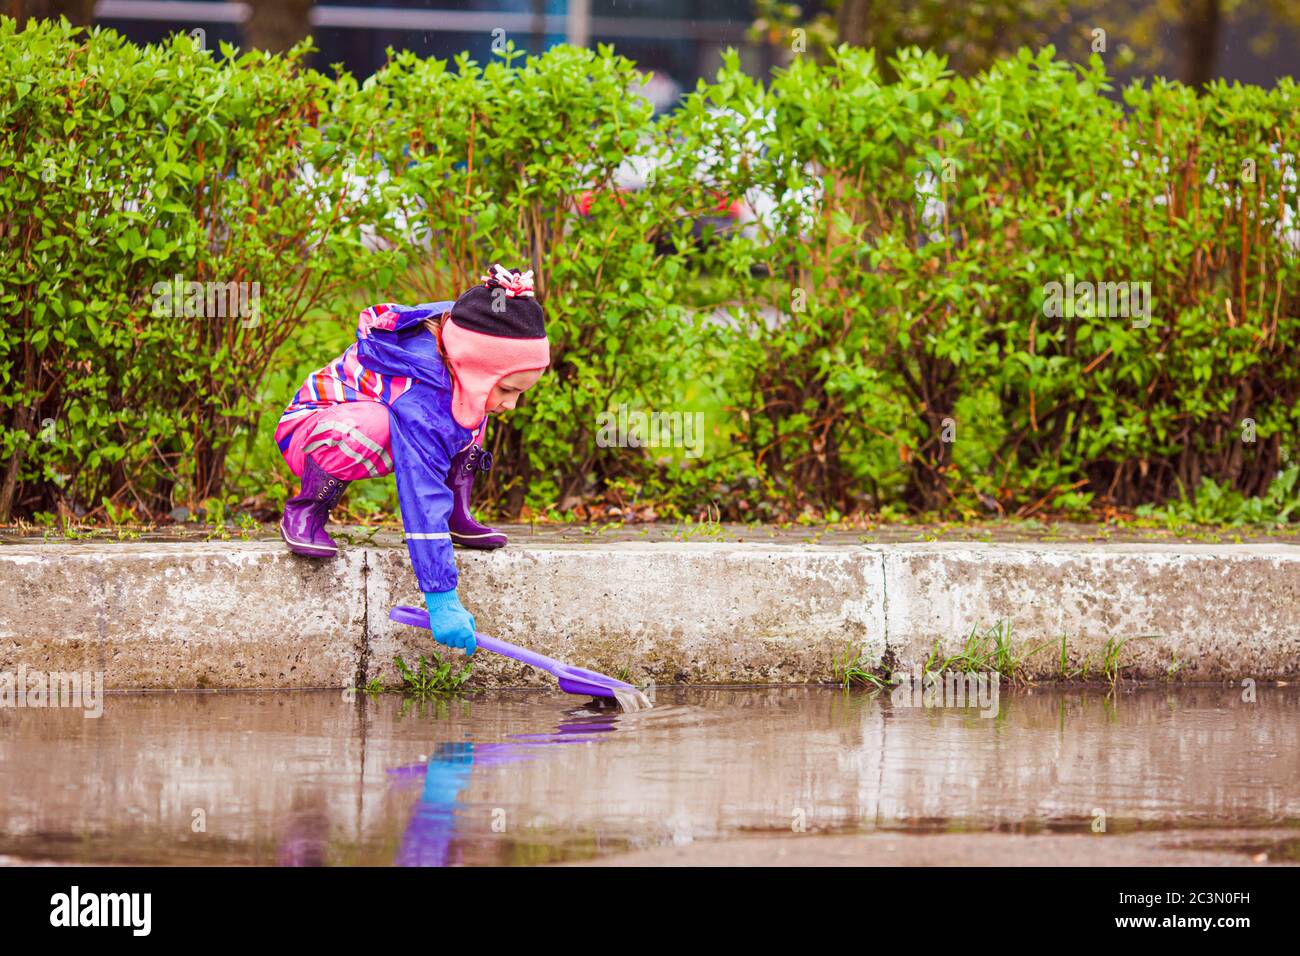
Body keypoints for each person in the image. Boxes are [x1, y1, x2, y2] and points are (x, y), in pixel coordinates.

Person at [274, 264, 549, 654]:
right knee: (381, 423)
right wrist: (442, 600)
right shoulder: (421, 391)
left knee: (472, 407)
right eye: (507, 388)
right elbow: (420, 493)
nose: (513, 404)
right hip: (311, 433)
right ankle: (307, 508)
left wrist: (493, 389)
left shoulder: (463, 337)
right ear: (474, 365)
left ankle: (457, 512)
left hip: (427, 404)